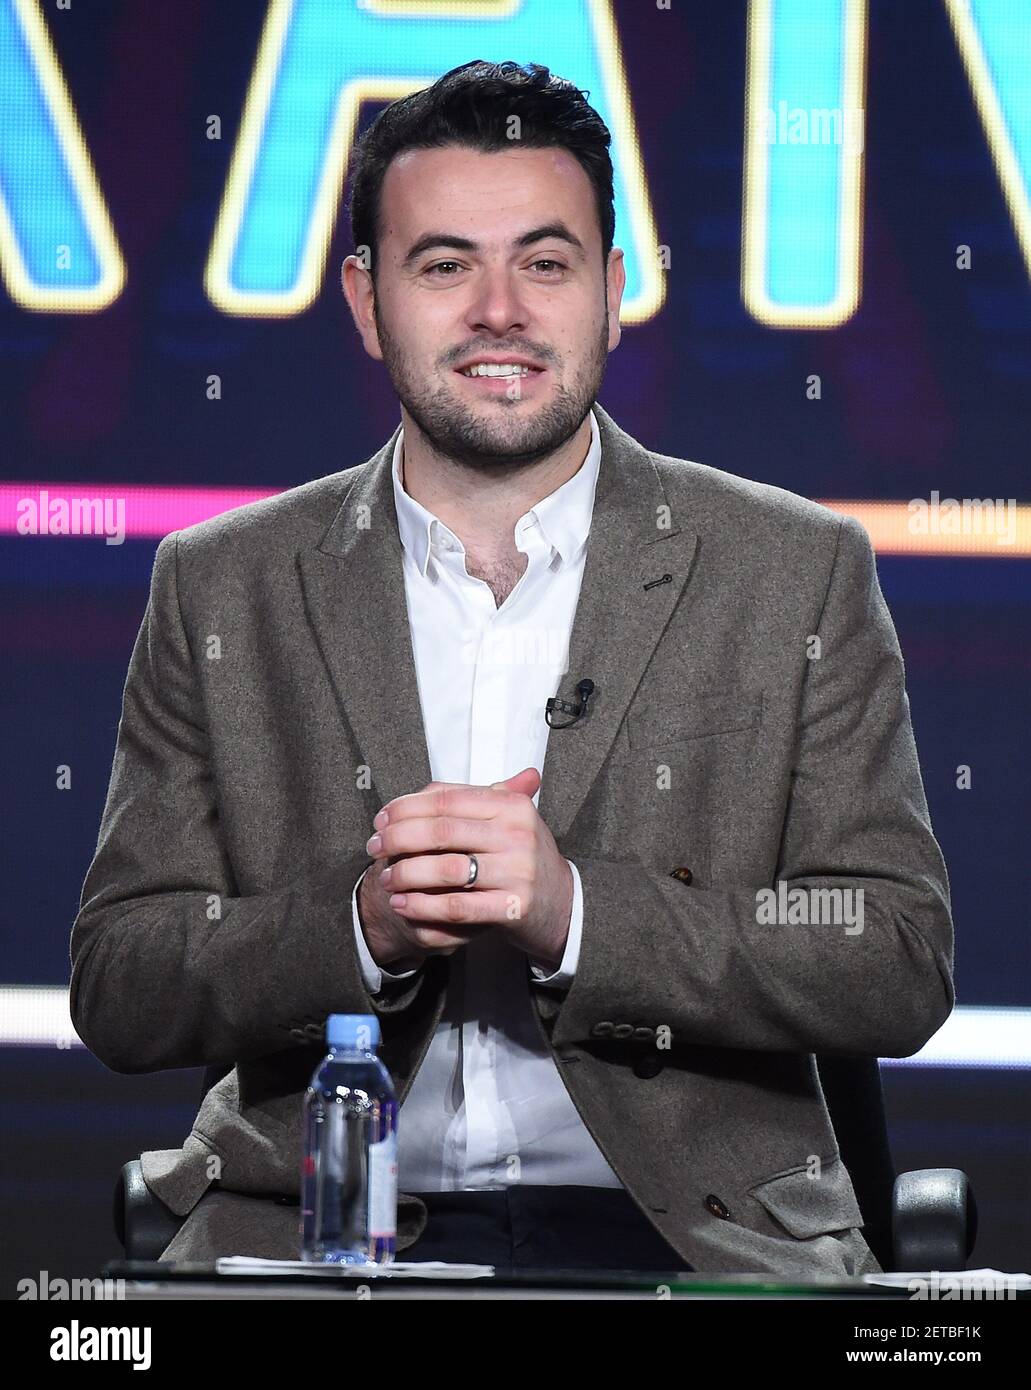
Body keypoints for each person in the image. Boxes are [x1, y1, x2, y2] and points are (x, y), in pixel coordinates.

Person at [72, 61, 954, 1277]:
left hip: (691, 1245)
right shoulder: (220, 583)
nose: (499, 311)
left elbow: (892, 953)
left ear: (612, 292)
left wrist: (579, 914)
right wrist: (360, 927)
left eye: (544, 262)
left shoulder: (794, 571)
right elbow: (120, 982)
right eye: (444, 266)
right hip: (313, 1238)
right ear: (366, 301)